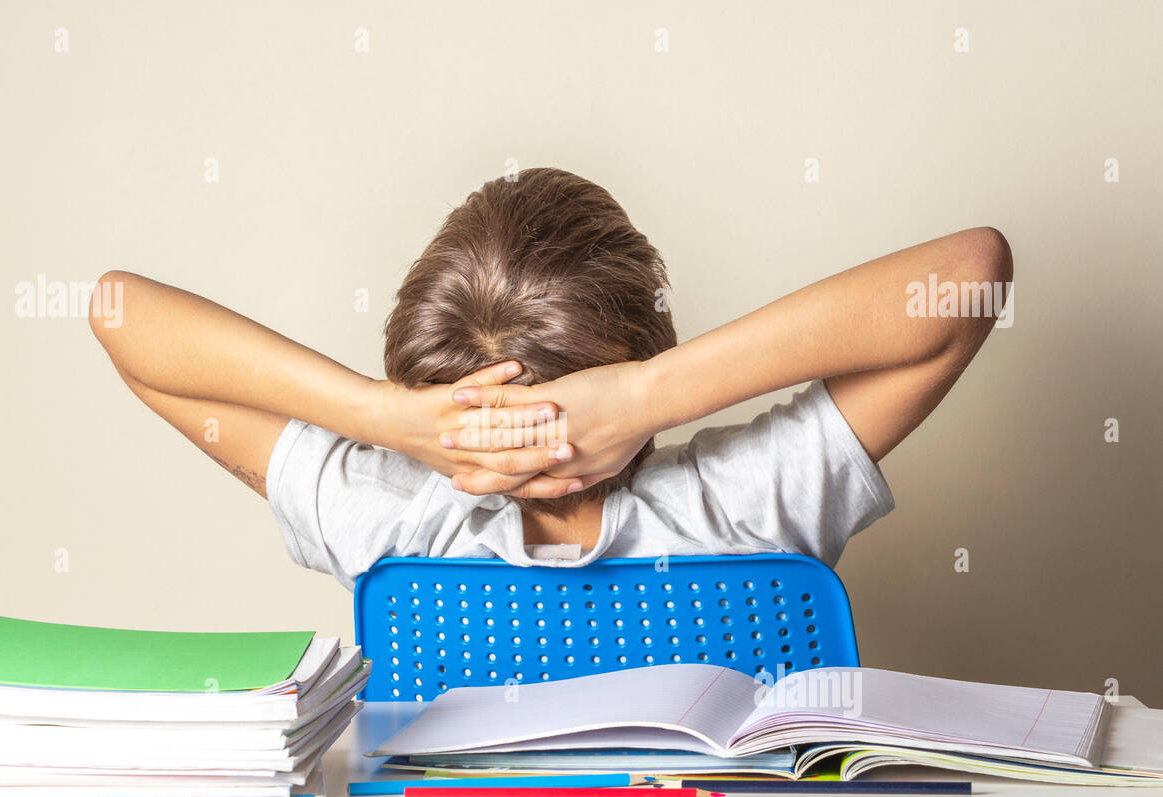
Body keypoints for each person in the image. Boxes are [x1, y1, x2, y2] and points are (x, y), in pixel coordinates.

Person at [88, 168, 1012, 591]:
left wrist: (383, 422)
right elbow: (972, 276)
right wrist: (652, 392)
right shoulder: (741, 509)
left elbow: (121, 316)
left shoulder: (391, 520)